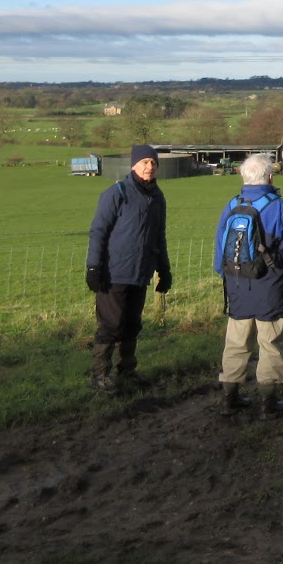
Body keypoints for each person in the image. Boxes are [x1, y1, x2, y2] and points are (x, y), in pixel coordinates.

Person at [215, 153, 283, 418]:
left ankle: (229, 398)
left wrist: (227, 278)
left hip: (237, 286)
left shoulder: (231, 204)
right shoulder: (279, 208)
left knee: (236, 342)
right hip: (271, 286)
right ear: (270, 177)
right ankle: (268, 402)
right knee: (270, 342)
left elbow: (219, 249)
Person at [85, 144, 173, 392]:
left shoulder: (157, 198)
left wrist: (163, 269)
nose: (150, 167)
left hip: (140, 272)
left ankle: (127, 370)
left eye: (153, 163)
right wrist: (93, 267)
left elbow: (159, 236)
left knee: (132, 324)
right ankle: (100, 374)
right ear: (133, 165)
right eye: (145, 162)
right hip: (114, 273)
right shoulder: (117, 193)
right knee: (110, 324)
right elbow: (98, 232)